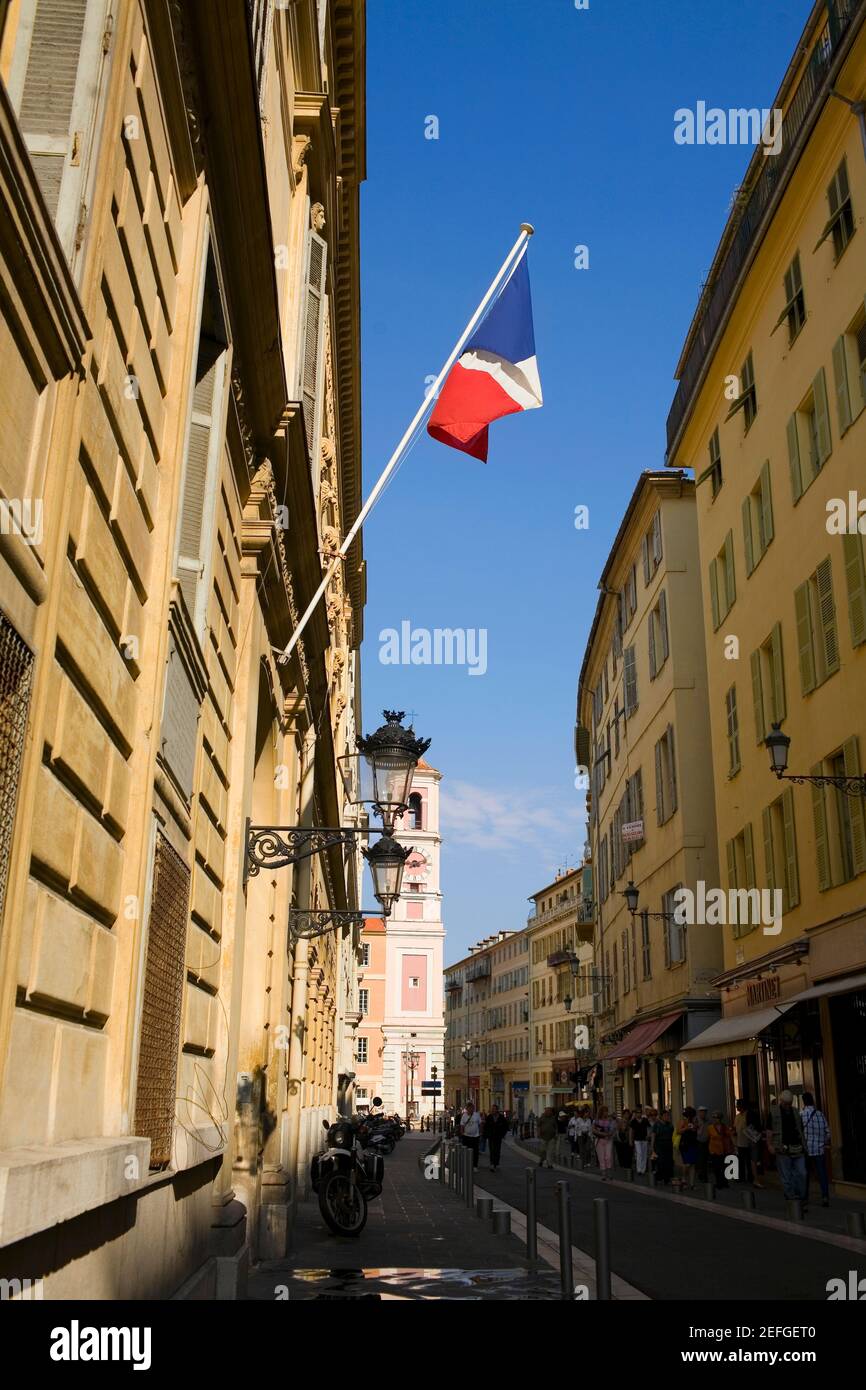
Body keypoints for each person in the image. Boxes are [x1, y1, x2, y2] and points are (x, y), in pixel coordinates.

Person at [769, 1090, 807, 1206]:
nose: (787, 1106)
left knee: (801, 1173)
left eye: (789, 1103)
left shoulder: (795, 1112)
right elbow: (769, 1130)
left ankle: (800, 1196)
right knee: (786, 1175)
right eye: (785, 1103)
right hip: (782, 1148)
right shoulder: (773, 1112)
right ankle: (791, 1198)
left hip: (797, 1147)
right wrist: (770, 1145)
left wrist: (804, 1144)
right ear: (780, 1101)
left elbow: (800, 1129)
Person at [801, 1092, 831, 1208]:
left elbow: (800, 1132)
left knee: (805, 1174)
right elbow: (828, 1133)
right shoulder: (820, 1114)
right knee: (822, 1174)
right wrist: (821, 1142)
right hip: (820, 1150)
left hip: (807, 1150)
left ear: (803, 1101)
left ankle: (805, 1197)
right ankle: (825, 1197)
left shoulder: (802, 1114)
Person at [733, 1098, 762, 1185]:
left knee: (750, 1161)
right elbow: (735, 1127)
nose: (737, 1107)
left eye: (738, 1105)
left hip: (749, 1142)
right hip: (740, 1142)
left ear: (742, 1106)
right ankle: (741, 1177)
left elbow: (753, 1128)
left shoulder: (749, 1115)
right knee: (740, 1161)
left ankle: (751, 1177)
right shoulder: (737, 1116)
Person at [707, 1110, 734, 1189]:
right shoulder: (710, 1128)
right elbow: (709, 1138)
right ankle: (718, 1183)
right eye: (715, 1118)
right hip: (714, 1150)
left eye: (718, 1118)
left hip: (723, 1150)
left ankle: (724, 1182)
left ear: (720, 1119)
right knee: (717, 1168)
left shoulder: (724, 1127)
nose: (716, 1119)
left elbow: (729, 1135)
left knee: (724, 1167)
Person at [677, 1107, 699, 1190]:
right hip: (685, 1144)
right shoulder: (683, 1121)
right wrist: (686, 1128)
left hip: (693, 1144)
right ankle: (683, 1179)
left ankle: (692, 1184)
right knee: (687, 1163)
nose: (691, 1116)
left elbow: (696, 1130)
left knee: (693, 1164)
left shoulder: (694, 1121)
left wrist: (695, 1127)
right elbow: (678, 1131)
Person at [652, 1109, 675, 1185]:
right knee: (660, 1162)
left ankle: (667, 1179)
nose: (667, 1117)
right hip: (659, 1145)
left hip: (668, 1145)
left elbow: (673, 1135)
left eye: (667, 1115)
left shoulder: (670, 1125)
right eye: (665, 1115)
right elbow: (653, 1136)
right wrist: (652, 1147)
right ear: (661, 1116)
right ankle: (659, 1177)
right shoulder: (657, 1124)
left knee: (668, 1162)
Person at [593, 1106, 616, 1179]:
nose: (606, 1112)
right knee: (601, 1157)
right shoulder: (596, 1121)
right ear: (601, 1112)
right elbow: (593, 1130)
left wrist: (610, 1133)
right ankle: (604, 1173)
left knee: (608, 1156)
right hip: (599, 1140)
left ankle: (609, 1172)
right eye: (604, 1111)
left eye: (607, 1111)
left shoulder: (610, 1121)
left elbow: (613, 1130)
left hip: (608, 1140)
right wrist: (603, 1134)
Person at [485, 1104, 509, 1173]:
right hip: (491, 1136)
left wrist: (503, 1134)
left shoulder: (501, 1117)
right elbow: (486, 1127)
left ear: (497, 1110)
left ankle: (496, 1163)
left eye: (494, 1109)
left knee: (497, 1150)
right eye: (492, 1109)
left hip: (498, 1136)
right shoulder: (489, 1117)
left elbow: (505, 1126)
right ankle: (492, 1163)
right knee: (492, 1150)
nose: (493, 1110)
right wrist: (487, 1134)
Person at [460, 1101, 483, 1168]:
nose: (470, 1109)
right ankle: (467, 1164)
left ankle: (475, 1165)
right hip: (466, 1136)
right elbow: (462, 1125)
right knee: (466, 1151)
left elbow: (480, 1124)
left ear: (473, 1108)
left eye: (471, 1108)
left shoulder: (477, 1115)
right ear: (467, 1109)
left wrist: (481, 1133)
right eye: (468, 1108)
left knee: (475, 1152)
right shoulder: (464, 1116)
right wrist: (462, 1133)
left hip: (475, 1136)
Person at [630, 1105, 650, 1175]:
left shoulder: (645, 1120)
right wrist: (631, 1140)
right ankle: (639, 1169)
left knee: (644, 1154)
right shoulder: (633, 1121)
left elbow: (648, 1128)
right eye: (637, 1112)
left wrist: (648, 1135)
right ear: (635, 1113)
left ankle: (643, 1169)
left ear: (641, 1113)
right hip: (637, 1139)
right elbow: (631, 1131)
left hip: (644, 1139)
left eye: (640, 1112)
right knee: (639, 1153)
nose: (639, 1114)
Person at [694, 1106, 711, 1182]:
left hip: (706, 1141)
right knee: (701, 1159)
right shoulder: (696, 1120)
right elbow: (694, 1129)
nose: (703, 1113)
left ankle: (703, 1174)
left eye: (704, 1112)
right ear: (699, 1112)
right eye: (702, 1112)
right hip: (699, 1141)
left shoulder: (708, 1120)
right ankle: (702, 1175)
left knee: (705, 1159)